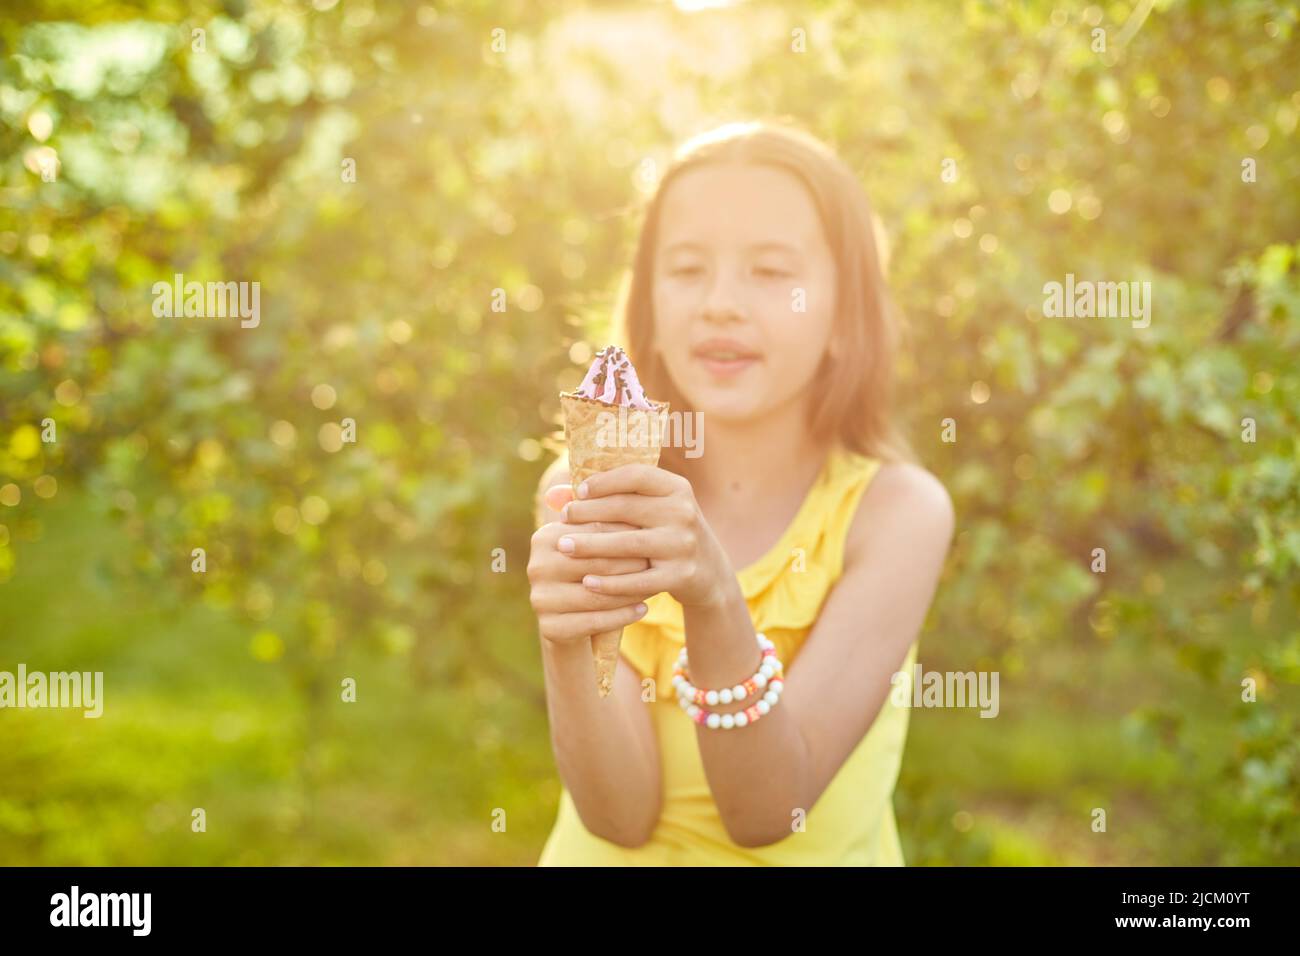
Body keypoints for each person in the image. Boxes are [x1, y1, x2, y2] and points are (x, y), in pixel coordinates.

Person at [528, 119, 954, 865]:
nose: (720, 303)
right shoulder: (584, 492)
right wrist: (566, 641)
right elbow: (619, 815)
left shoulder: (896, 516)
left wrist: (715, 598)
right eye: (687, 269)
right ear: (650, 310)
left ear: (844, 319)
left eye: (771, 272)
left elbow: (767, 809)